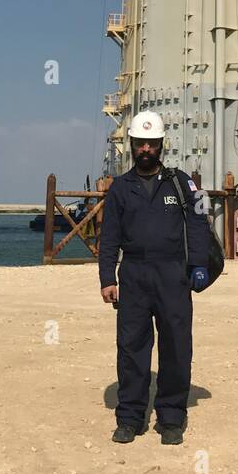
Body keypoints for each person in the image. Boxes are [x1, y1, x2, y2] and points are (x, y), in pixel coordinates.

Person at [99, 110, 211, 446]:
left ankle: (171, 417)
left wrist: (199, 264)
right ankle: (130, 418)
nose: (146, 149)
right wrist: (107, 277)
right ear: (132, 145)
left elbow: (198, 223)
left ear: (162, 145)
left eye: (152, 143)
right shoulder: (120, 189)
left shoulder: (180, 183)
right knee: (132, 348)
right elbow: (109, 238)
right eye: (140, 143)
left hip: (172, 273)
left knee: (176, 344)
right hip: (133, 273)